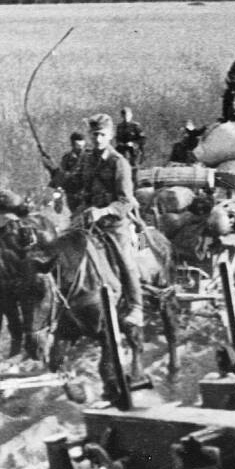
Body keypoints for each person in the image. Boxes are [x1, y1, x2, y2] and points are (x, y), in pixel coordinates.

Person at [70, 113, 144, 332]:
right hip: (87, 220)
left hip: (113, 224)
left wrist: (103, 212)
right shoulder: (87, 159)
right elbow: (74, 183)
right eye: (94, 135)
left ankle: (136, 306)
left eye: (102, 135)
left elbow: (126, 201)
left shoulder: (118, 162)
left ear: (110, 135)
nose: (98, 139)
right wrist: (54, 171)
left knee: (125, 260)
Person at [48, 131, 87, 208]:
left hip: (86, 194)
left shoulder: (89, 156)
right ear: (72, 145)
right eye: (78, 146)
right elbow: (61, 177)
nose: (81, 149)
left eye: (82, 146)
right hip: (72, 195)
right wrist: (58, 198)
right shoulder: (67, 158)